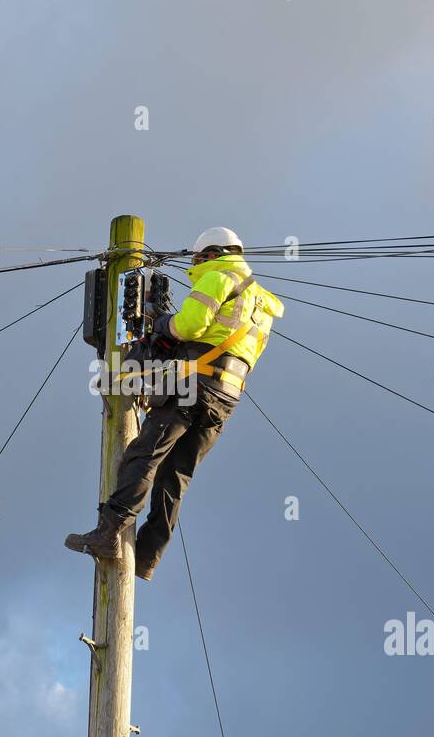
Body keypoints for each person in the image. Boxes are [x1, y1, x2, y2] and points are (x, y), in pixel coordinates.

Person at [64, 226, 283, 581]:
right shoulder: (262, 302)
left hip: (196, 385)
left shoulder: (219, 276)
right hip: (226, 397)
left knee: (142, 454)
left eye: (198, 259)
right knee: (175, 476)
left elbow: (191, 325)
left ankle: (108, 534)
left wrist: (163, 326)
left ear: (212, 254)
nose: (195, 265)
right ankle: (148, 556)